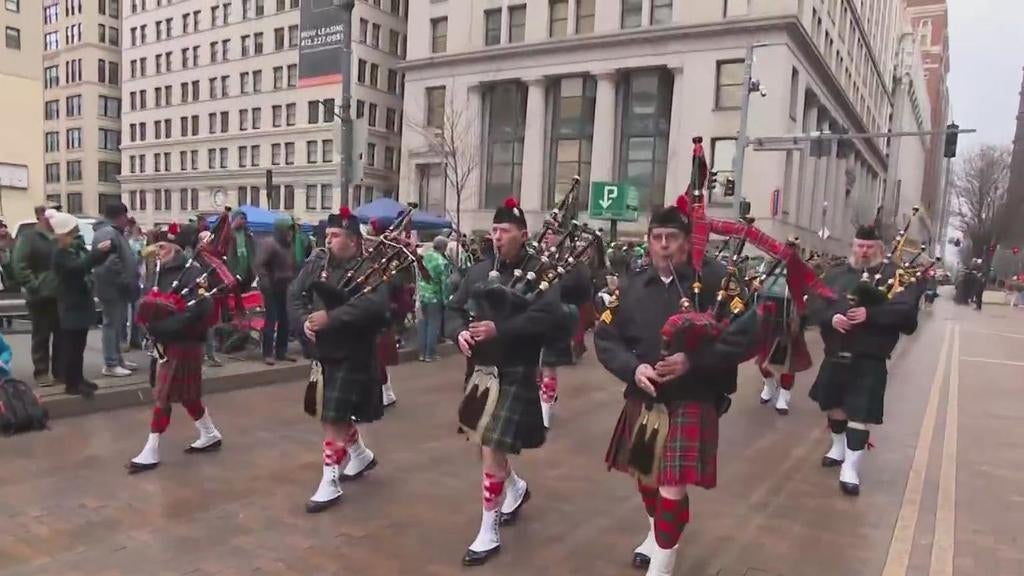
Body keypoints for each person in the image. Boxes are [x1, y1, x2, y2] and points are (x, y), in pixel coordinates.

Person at [595, 194, 747, 576]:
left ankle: (663, 562)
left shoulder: (717, 281)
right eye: (656, 236)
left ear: (688, 240)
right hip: (645, 396)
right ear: (648, 241)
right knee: (647, 478)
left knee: (671, 483)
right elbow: (606, 338)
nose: (663, 244)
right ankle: (658, 532)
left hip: (694, 395)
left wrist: (693, 361)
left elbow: (744, 338)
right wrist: (633, 369)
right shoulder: (633, 285)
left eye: (672, 237)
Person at [446, 197, 563, 567]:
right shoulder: (478, 272)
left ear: (523, 235)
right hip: (479, 372)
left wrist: (501, 329)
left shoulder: (542, 273)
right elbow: (453, 311)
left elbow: (547, 319)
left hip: (514, 370)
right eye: (494, 230)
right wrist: (458, 335)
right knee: (485, 445)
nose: (497, 237)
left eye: (505, 230)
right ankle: (515, 488)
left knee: (491, 446)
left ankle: (489, 529)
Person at [288, 207, 389, 513]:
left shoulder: (369, 268)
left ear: (354, 240)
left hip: (352, 351)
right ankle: (358, 454)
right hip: (322, 351)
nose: (328, 241)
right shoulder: (317, 262)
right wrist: (305, 322)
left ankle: (330, 480)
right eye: (327, 235)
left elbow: (374, 306)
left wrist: (330, 318)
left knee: (332, 415)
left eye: (335, 235)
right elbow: (295, 294)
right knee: (332, 409)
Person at [807, 225, 920, 496]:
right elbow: (814, 306)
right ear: (853, 247)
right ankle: (837, 447)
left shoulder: (897, 278)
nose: (864, 251)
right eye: (860, 246)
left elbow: (907, 317)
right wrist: (831, 318)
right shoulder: (835, 276)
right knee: (833, 407)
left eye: (870, 247)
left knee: (859, 414)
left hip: (869, 357)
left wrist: (872, 315)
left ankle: (851, 468)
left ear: (881, 249)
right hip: (835, 353)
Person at [128, 225, 223, 473]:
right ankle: (210, 433)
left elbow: (200, 310)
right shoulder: (156, 271)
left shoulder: (194, 273)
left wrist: (165, 328)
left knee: (163, 393)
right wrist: (149, 323)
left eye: (163, 247)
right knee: (188, 394)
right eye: (156, 246)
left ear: (177, 247)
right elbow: (149, 300)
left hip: (186, 341)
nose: (158, 252)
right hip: (164, 342)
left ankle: (151, 448)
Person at [50, 212, 113, 397]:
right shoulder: (60, 254)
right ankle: (71, 383)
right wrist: (96, 253)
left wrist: (104, 252)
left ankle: (78, 379)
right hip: (70, 304)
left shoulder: (76, 250)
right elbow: (77, 268)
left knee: (79, 346)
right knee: (72, 347)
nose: (77, 235)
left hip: (81, 302)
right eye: (73, 232)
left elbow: (89, 261)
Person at [536, 228, 591, 429]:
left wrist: (558, 286)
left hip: (558, 317)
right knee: (534, 365)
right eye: (547, 233)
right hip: (534, 316)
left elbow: (583, 286)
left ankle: (545, 411)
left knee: (549, 364)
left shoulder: (573, 263)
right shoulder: (536, 258)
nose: (548, 237)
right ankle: (542, 400)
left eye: (552, 233)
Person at [11, 206, 63, 387]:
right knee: (41, 335)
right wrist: (34, 285)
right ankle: (41, 372)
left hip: (60, 294)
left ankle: (60, 371)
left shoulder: (59, 237)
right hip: (39, 296)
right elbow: (19, 264)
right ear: (42, 217)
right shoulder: (29, 238)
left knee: (61, 334)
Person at [92, 202, 141, 377]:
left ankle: (117, 359)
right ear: (120, 217)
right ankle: (111, 362)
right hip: (112, 287)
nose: (127, 220)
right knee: (111, 325)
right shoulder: (107, 233)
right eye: (125, 216)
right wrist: (125, 280)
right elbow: (111, 263)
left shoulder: (113, 232)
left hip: (116, 287)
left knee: (117, 324)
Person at [755, 267, 812, 415]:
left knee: (786, 365)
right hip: (767, 325)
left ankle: (784, 395)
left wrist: (801, 314)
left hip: (788, 328)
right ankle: (769, 385)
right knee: (763, 362)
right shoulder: (769, 271)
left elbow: (809, 304)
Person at [255, 218, 298, 365]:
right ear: (281, 230)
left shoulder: (289, 246)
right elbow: (260, 265)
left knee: (285, 320)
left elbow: (292, 265)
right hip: (271, 287)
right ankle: (267, 352)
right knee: (271, 319)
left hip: (285, 287)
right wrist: (266, 283)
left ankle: (282, 351)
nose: (290, 233)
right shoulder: (270, 244)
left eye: (292, 230)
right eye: (288, 230)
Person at [418, 236, 451, 362]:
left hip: (422, 294)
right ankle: (430, 354)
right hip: (435, 296)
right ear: (443, 247)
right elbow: (445, 283)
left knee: (422, 324)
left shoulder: (425, 256)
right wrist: (446, 299)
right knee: (433, 325)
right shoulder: (443, 262)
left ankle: (421, 353)